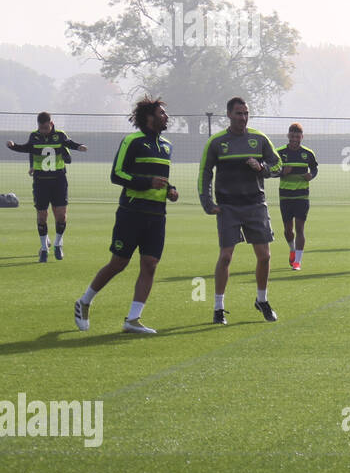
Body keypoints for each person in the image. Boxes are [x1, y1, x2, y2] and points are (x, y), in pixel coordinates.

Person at [73, 98, 178, 334]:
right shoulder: (132, 141)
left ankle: (132, 320)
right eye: (162, 112)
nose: (166, 117)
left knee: (150, 265)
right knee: (119, 263)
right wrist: (146, 182)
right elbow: (117, 174)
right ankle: (84, 301)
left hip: (157, 215)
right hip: (131, 213)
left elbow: (159, 177)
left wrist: (170, 189)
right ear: (150, 117)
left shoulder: (167, 146)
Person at [198, 97, 282, 324]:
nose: (243, 118)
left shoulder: (259, 139)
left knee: (264, 256)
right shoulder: (217, 142)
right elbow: (205, 173)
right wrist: (207, 202)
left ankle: (262, 300)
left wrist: (262, 167)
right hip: (228, 207)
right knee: (225, 257)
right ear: (228, 115)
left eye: (246, 113)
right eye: (238, 113)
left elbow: (278, 165)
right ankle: (218, 308)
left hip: (256, 204)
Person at [6, 111, 88, 261]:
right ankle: (44, 248)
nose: (43, 131)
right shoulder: (34, 136)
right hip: (40, 181)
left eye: (45, 127)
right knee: (42, 216)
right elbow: (28, 149)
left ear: (51, 123)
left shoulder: (60, 135)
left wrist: (79, 146)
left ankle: (57, 244)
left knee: (61, 215)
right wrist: (13, 146)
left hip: (58, 180)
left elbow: (69, 143)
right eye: (41, 128)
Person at [276, 123, 319, 271]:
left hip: (302, 195)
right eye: (292, 136)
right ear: (288, 136)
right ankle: (292, 249)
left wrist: (311, 176)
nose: (295, 139)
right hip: (285, 196)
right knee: (288, 230)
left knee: (300, 229)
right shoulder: (279, 153)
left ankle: (297, 262)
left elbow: (314, 168)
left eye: (297, 136)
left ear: (302, 137)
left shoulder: (308, 153)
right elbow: (272, 170)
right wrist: (282, 172)